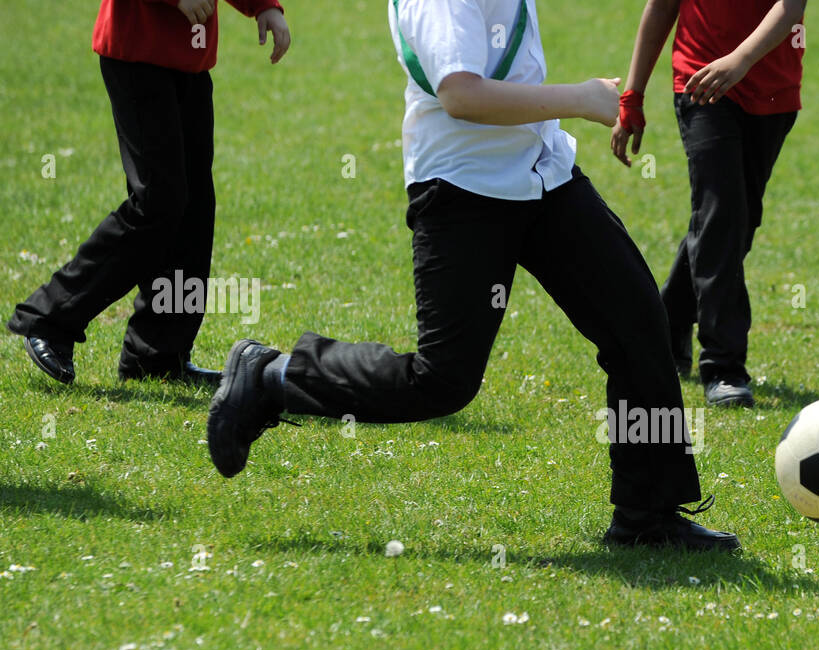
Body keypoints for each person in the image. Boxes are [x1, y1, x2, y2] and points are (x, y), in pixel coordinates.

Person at [206, 0, 738, 552]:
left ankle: (647, 515)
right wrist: (580, 97)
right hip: (464, 190)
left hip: (543, 172)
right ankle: (271, 375)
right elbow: (460, 93)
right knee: (441, 380)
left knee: (636, 321)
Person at [7, 0, 291, 386]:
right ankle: (49, 318)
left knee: (192, 211)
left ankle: (156, 354)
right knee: (158, 201)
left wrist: (263, 7)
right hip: (138, 54)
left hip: (190, 64)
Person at [611, 0, 806, 408]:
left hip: (773, 90)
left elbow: (791, 6)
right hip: (701, 84)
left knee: (734, 222)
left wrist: (740, 60)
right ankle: (723, 366)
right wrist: (633, 95)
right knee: (722, 218)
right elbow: (662, 7)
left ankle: (668, 324)